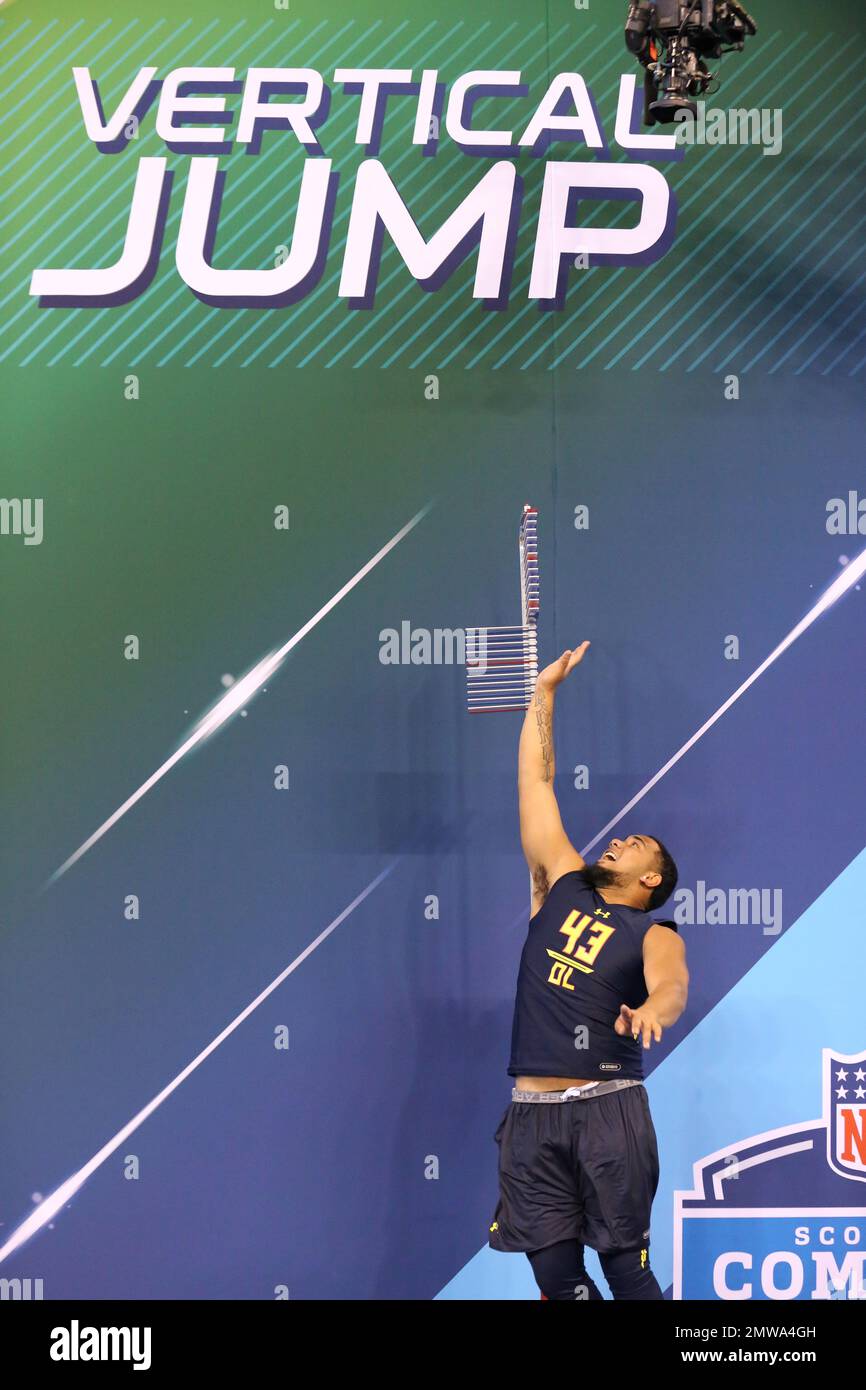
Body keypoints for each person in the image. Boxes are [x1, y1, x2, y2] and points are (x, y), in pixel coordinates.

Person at [488, 641, 689, 1300]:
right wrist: (543, 695)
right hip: (531, 1115)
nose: (623, 838)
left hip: (607, 1111)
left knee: (624, 1270)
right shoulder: (563, 881)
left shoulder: (649, 929)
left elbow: (672, 983)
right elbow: (537, 782)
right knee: (557, 1278)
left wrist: (653, 1011)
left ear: (651, 878)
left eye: (639, 845)